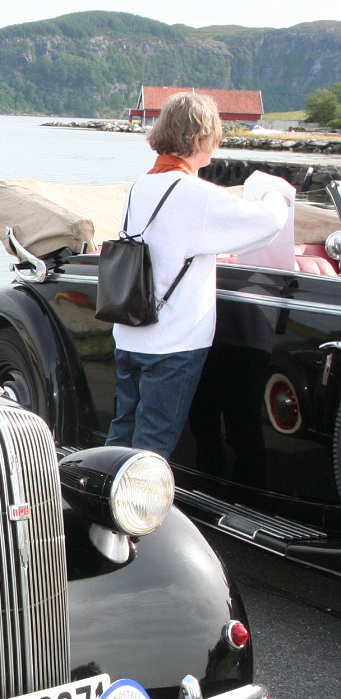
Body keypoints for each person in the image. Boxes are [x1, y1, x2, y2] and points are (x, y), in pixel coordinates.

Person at [104, 91, 290, 458]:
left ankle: (105, 504)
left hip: (129, 333)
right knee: (153, 447)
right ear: (200, 138)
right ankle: (141, 513)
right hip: (173, 342)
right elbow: (268, 224)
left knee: (123, 431)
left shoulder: (140, 186)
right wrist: (274, 192)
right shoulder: (196, 196)